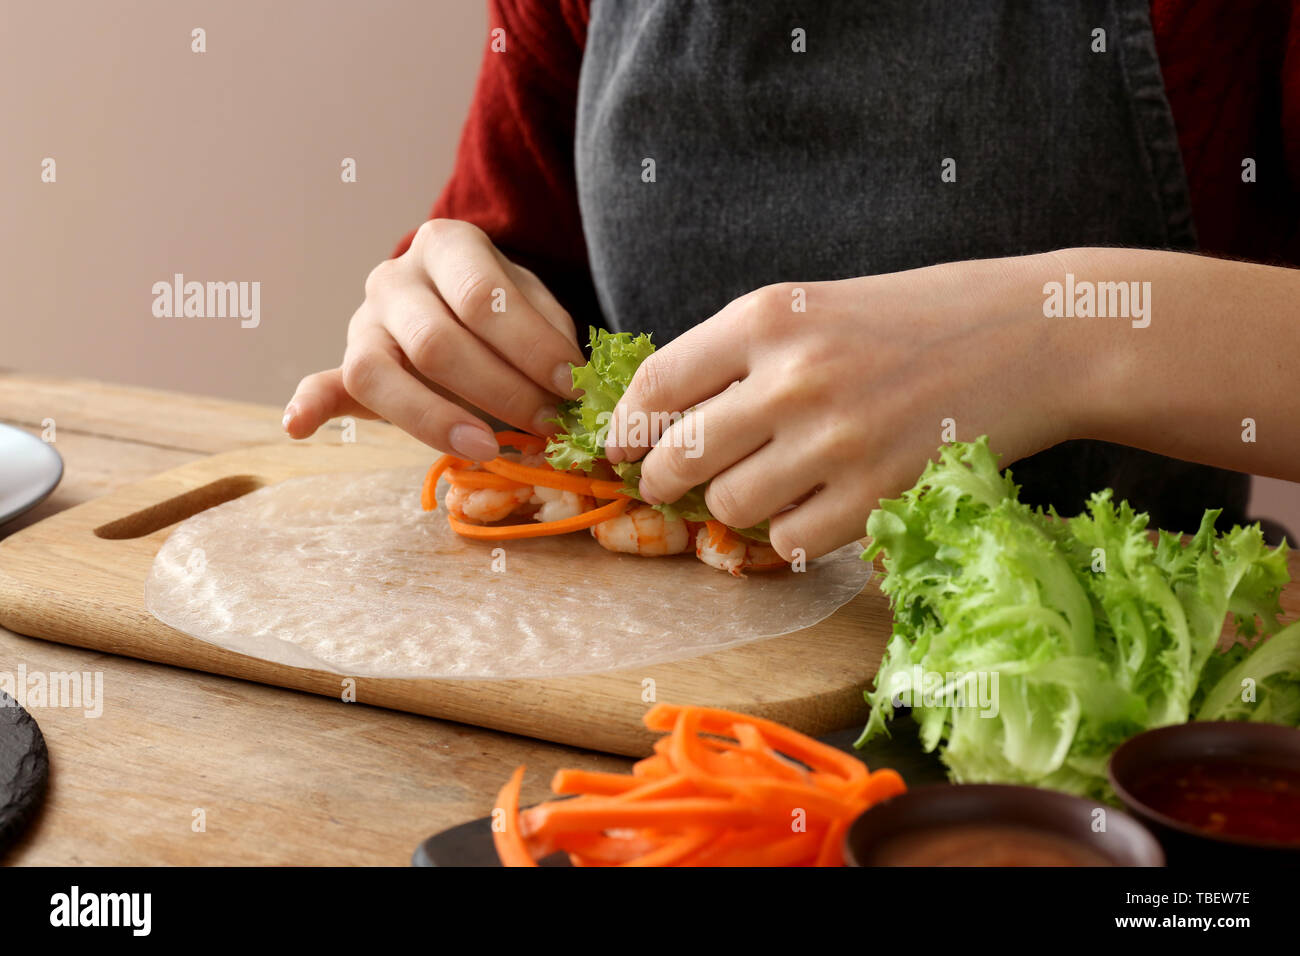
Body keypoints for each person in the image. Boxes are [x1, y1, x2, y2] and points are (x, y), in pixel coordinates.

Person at [285, 0, 1300, 561]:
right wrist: (446, 313)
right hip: (662, 701)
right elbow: (518, 251)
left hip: (1093, 757)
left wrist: (1063, 336)